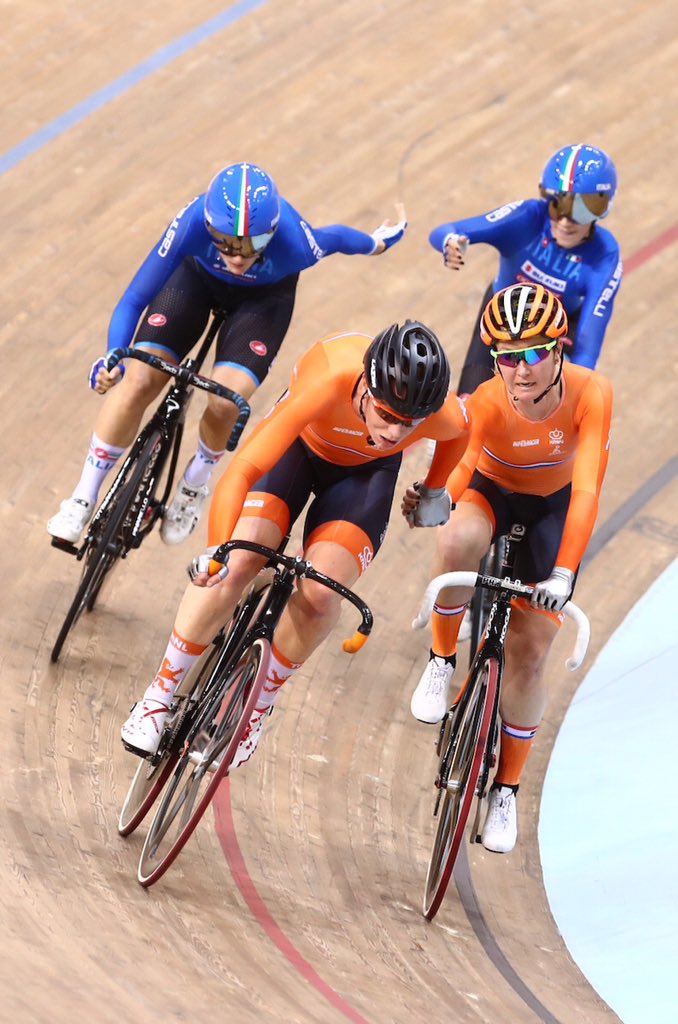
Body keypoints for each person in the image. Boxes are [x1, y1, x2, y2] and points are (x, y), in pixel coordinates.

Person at [120, 320, 471, 767]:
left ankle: (258, 705)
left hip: (364, 477)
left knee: (322, 593)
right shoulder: (326, 382)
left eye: (410, 423)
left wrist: (435, 489)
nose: (398, 433)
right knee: (241, 558)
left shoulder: (437, 415)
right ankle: (160, 694)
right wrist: (215, 552)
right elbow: (241, 473)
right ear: (366, 387)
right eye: (387, 415)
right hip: (297, 451)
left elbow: (462, 431)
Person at [48, 161, 408, 547]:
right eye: (225, 241)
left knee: (224, 402)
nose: (237, 256)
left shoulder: (297, 243)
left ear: (271, 234)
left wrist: (378, 242)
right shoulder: (189, 223)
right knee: (137, 379)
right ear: (207, 226)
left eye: (251, 245)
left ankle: (194, 484)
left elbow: (335, 237)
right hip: (196, 281)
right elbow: (136, 297)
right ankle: (83, 496)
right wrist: (112, 356)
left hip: (264, 299)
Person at [403, 283, 613, 855]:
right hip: (492, 492)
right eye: (504, 356)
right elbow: (463, 462)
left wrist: (563, 576)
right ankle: (443, 660)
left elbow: (588, 489)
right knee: (460, 538)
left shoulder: (593, 394)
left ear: (560, 348)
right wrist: (436, 498)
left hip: (553, 510)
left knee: (530, 652)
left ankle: (507, 788)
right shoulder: (488, 401)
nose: (517, 370)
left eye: (531, 354)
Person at [430, 143, 622, 396]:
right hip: (501, 315)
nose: (566, 221)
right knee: (470, 401)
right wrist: (450, 242)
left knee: (543, 406)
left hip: (556, 328)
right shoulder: (525, 217)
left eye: (583, 211)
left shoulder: (605, 254)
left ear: (603, 209)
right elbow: (444, 231)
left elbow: (588, 346)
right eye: (558, 206)